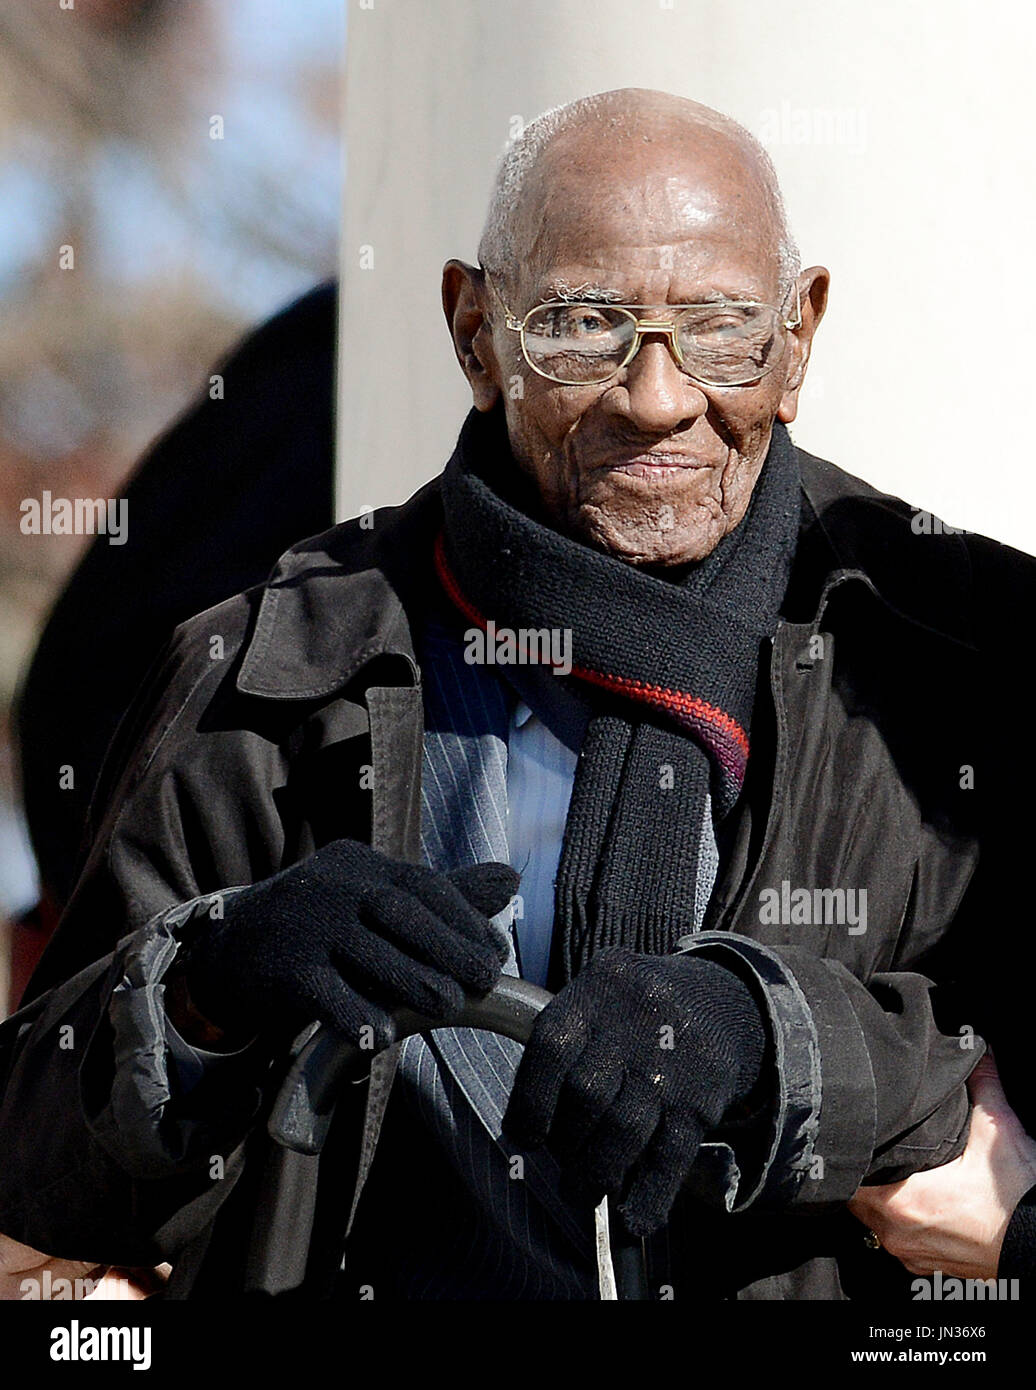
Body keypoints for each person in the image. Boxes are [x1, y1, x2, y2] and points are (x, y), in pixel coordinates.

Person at [0, 87, 1031, 1301]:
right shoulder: (273, 668)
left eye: (721, 328)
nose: (658, 396)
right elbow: (31, 1167)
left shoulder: (978, 655)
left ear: (798, 338)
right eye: (583, 324)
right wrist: (209, 985)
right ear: (475, 332)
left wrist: (774, 1043)